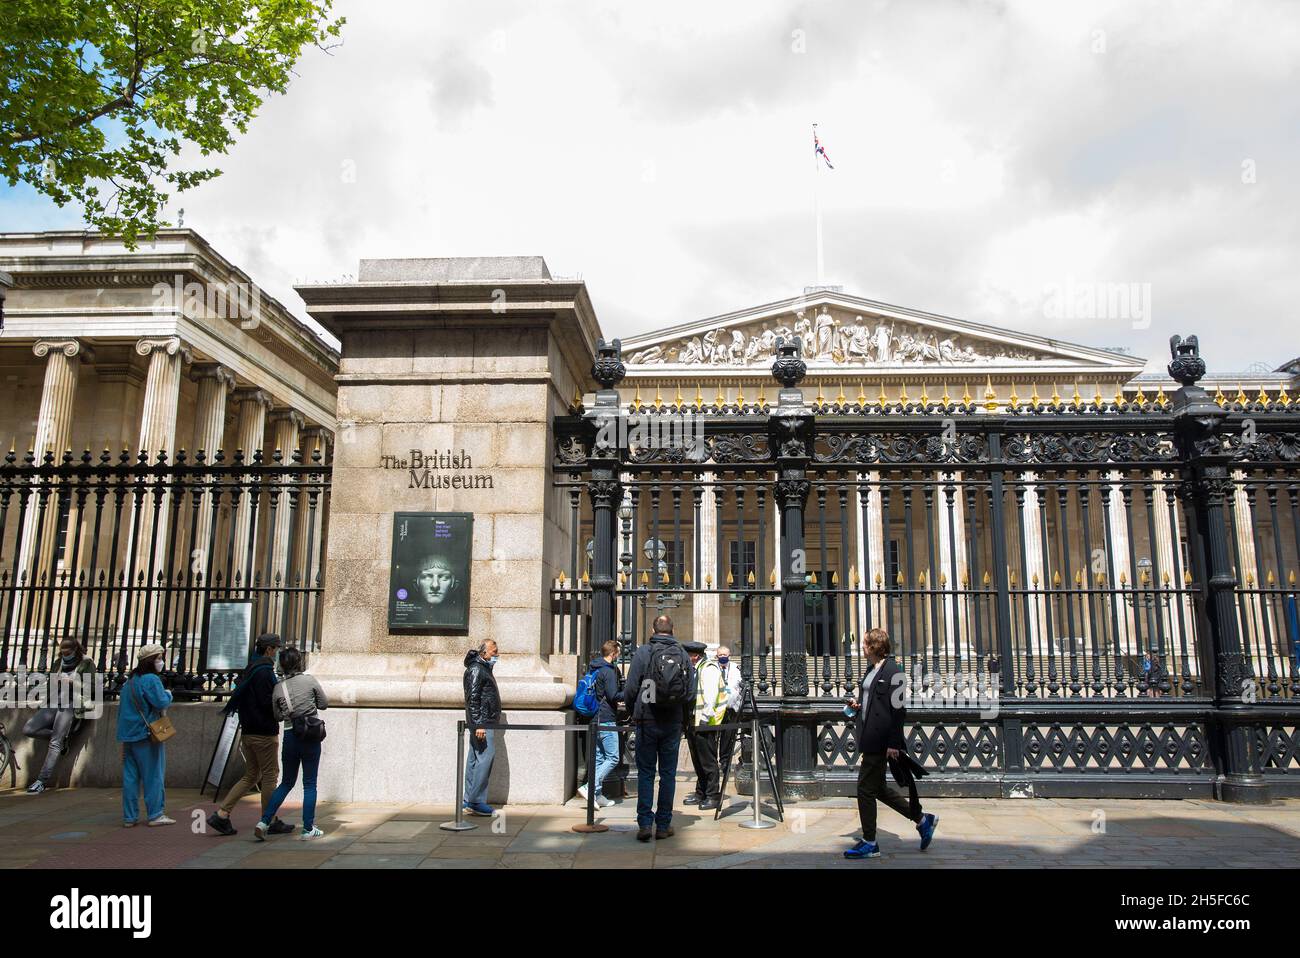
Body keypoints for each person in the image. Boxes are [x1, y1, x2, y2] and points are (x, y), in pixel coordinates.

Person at [843, 628, 937, 859]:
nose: (862, 647)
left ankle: (870, 842)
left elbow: (898, 710)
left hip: (882, 739)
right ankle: (923, 820)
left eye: (865, 643)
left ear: (875, 646)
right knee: (879, 790)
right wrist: (857, 704)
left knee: (865, 790)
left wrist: (894, 743)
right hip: (869, 736)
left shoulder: (894, 671)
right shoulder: (871, 669)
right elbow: (872, 699)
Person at [208, 633, 291, 837]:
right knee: (270, 775)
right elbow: (267, 702)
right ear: (269, 650)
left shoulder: (252, 668)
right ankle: (268, 819)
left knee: (251, 775)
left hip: (249, 731)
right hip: (263, 732)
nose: (278, 653)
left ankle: (222, 813)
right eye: (277, 649)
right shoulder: (264, 672)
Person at [622, 614, 695, 842]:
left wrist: (635, 710)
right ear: (672, 630)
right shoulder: (682, 654)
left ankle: (645, 824)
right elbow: (690, 693)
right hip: (672, 721)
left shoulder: (643, 652)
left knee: (646, 774)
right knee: (667, 775)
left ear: (653, 630)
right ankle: (663, 825)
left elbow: (632, 688)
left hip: (647, 719)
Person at [256, 646, 329, 841]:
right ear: (299, 662)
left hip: (290, 736)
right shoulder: (309, 680)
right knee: (310, 783)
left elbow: (277, 716)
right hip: (310, 735)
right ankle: (307, 828)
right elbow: (323, 703)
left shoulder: (279, 687)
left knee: (286, 782)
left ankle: (264, 821)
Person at [24, 637, 96, 794]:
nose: (65, 655)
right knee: (29, 729)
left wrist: (71, 682)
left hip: (71, 703)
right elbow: (50, 681)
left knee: (55, 742)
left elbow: (92, 687)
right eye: (63, 653)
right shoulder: (58, 663)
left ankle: (41, 781)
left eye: (68, 653)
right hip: (54, 701)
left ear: (75, 650)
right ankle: (62, 740)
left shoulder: (86, 662)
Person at [117, 644, 175, 827]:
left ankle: (129, 817)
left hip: (128, 734)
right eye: (158, 658)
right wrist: (168, 694)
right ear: (151, 660)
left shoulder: (131, 680)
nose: (161, 662)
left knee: (130, 777)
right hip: (146, 732)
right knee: (153, 774)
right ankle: (156, 813)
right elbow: (160, 702)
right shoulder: (151, 679)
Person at [577, 640, 621, 808]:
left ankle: (596, 795)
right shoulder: (608, 671)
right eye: (618, 653)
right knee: (613, 756)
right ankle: (589, 787)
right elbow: (612, 695)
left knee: (600, 757)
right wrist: (627, 694)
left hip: (595, 717)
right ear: (613, 653)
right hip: (606, 718)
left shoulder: (594, 668)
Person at [683, 641, 725, 811]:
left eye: (687, 655)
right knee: (697, 760)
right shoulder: (696, 669)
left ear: (695, 656)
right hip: (694, 720)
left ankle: (713, 795)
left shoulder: (708, 669)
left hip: (705, 721)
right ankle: (701, 792)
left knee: (708, 760)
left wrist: (705, 718)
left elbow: (710, 696)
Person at [462, 639, 501, 816]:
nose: (496, 655)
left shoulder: (481, 668)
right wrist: (479, 724)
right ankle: (475, 801)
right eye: (494, 652)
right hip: (482, 722)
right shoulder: (477, 669)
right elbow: (474, 698)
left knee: (475, 759)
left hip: (483, 721)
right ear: (484, 653)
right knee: (484, 759)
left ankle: (468, 799)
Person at [716, 644, 743, 771]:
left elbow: (737, 685)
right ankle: (712, 761)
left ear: (729, 656)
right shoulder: (713, 668)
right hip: (716, 708)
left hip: (731, 708)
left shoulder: (735, 668)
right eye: (720, 655)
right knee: (714, 736)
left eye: (724, 655)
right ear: (716, 656)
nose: (722, 657)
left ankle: (725, 761)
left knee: (728, 736)